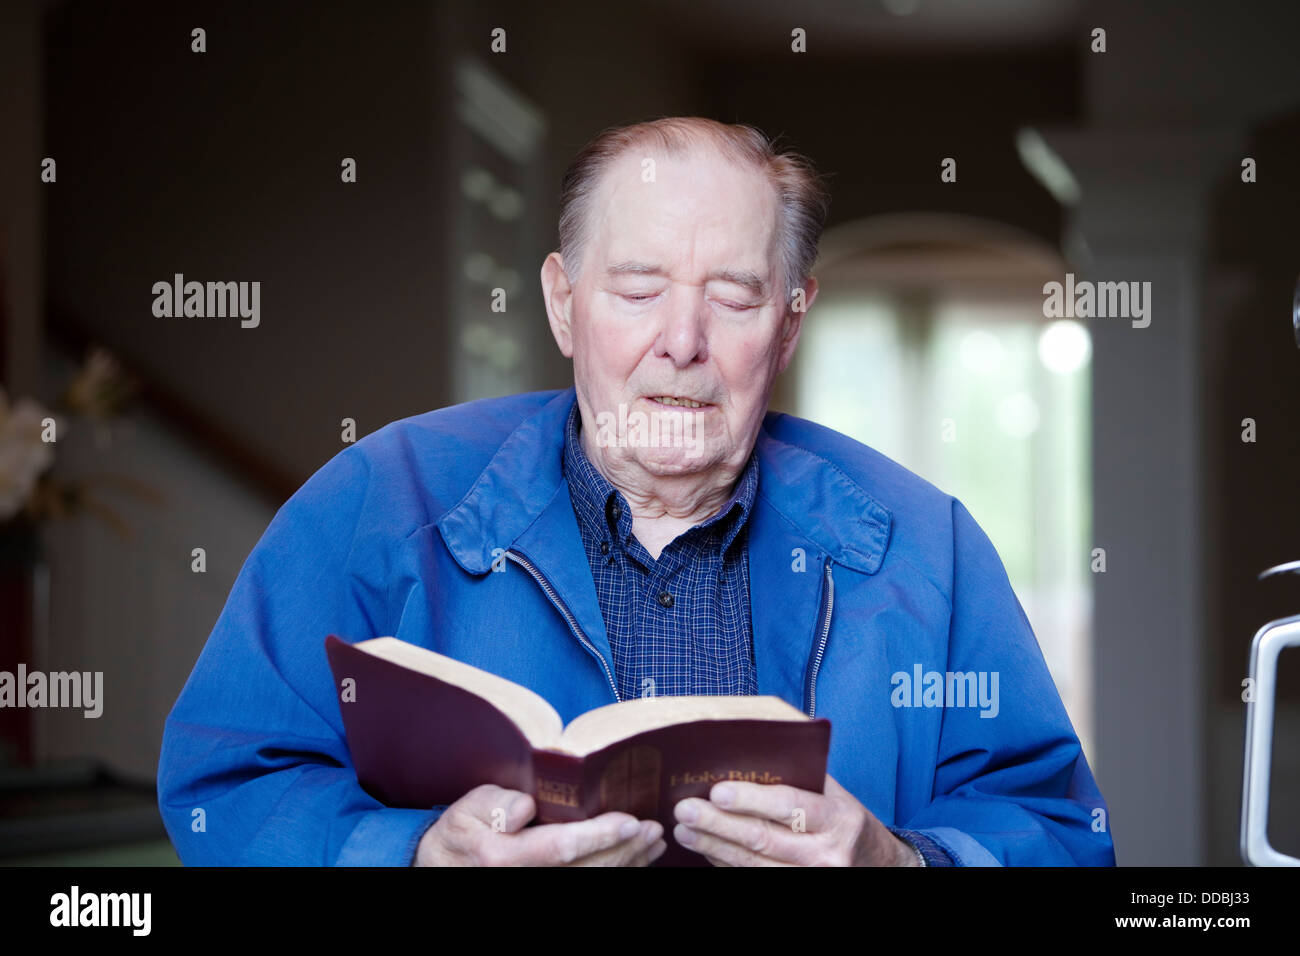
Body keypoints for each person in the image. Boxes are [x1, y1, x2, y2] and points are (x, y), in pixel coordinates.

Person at [157, 117, 1116, 867]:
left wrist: (903, 863)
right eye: (637, 288)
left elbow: (1063, 833)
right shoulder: (376, 500)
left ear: (789, 325)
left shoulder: (926, 546)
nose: (683, 341)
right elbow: (230, 778)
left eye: (735, 297)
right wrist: (411, 856)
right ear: (562, 302)